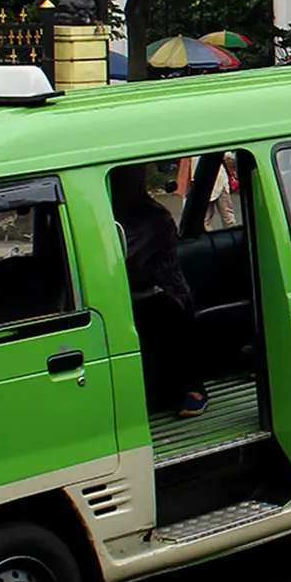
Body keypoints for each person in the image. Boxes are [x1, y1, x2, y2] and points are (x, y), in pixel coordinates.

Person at [110, 166, 208, 417]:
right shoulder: (108, 214)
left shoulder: (151, 216)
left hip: (163, 294)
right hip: (128, 294)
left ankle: (192, 390)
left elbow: (123, 260)